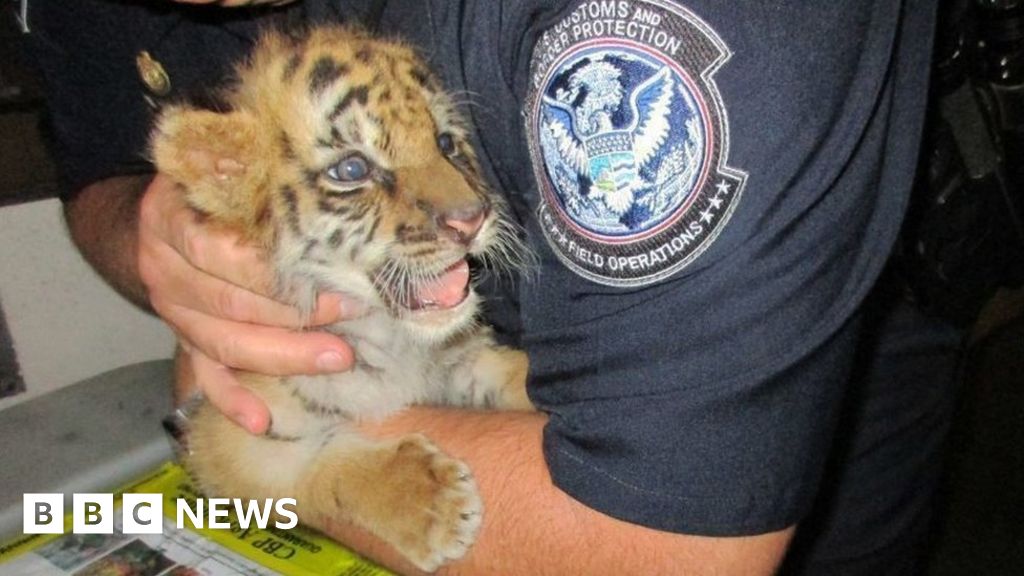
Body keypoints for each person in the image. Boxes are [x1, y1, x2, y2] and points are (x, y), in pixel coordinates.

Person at [22, 0, 964, 574]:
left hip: (785, 386)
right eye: (357, 170)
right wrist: (156, 234)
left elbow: (658, 546)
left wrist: (316, 461)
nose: (463, 205)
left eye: (445, 141)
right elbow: (100, 162)